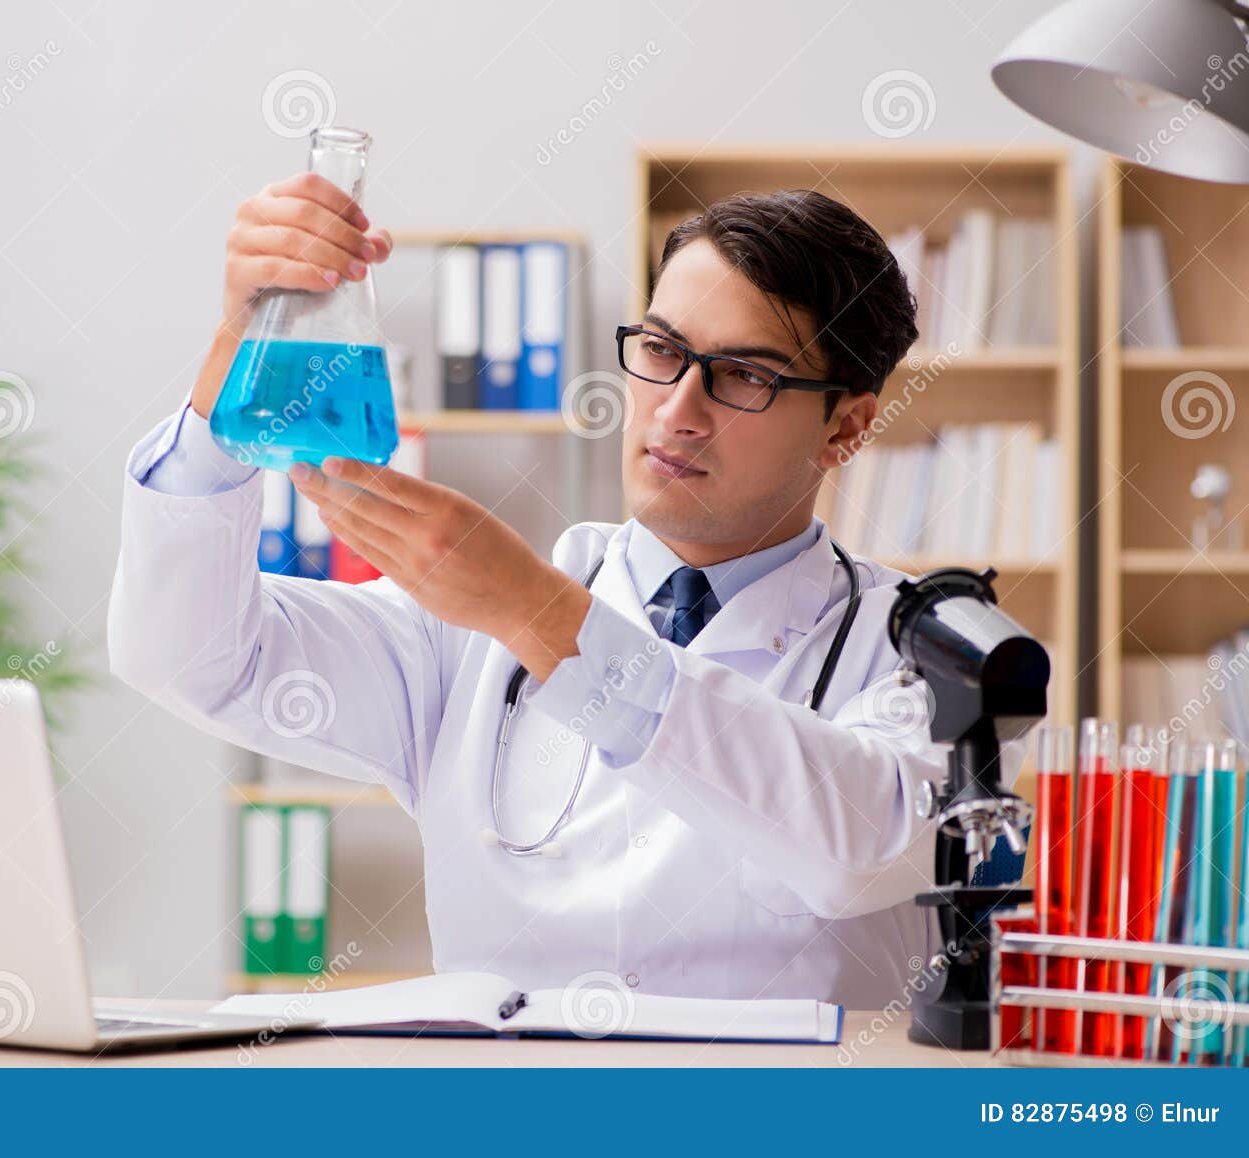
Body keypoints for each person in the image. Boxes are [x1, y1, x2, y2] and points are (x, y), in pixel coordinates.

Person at [110, 171, 990, 1009]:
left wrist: (538, 618)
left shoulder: (935, 648)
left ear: (846, 426)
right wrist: (239, 354)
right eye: (661, 350)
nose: (678, 408)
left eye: (746, 375)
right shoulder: (461, 627)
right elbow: (195, 660)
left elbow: (857, 847)